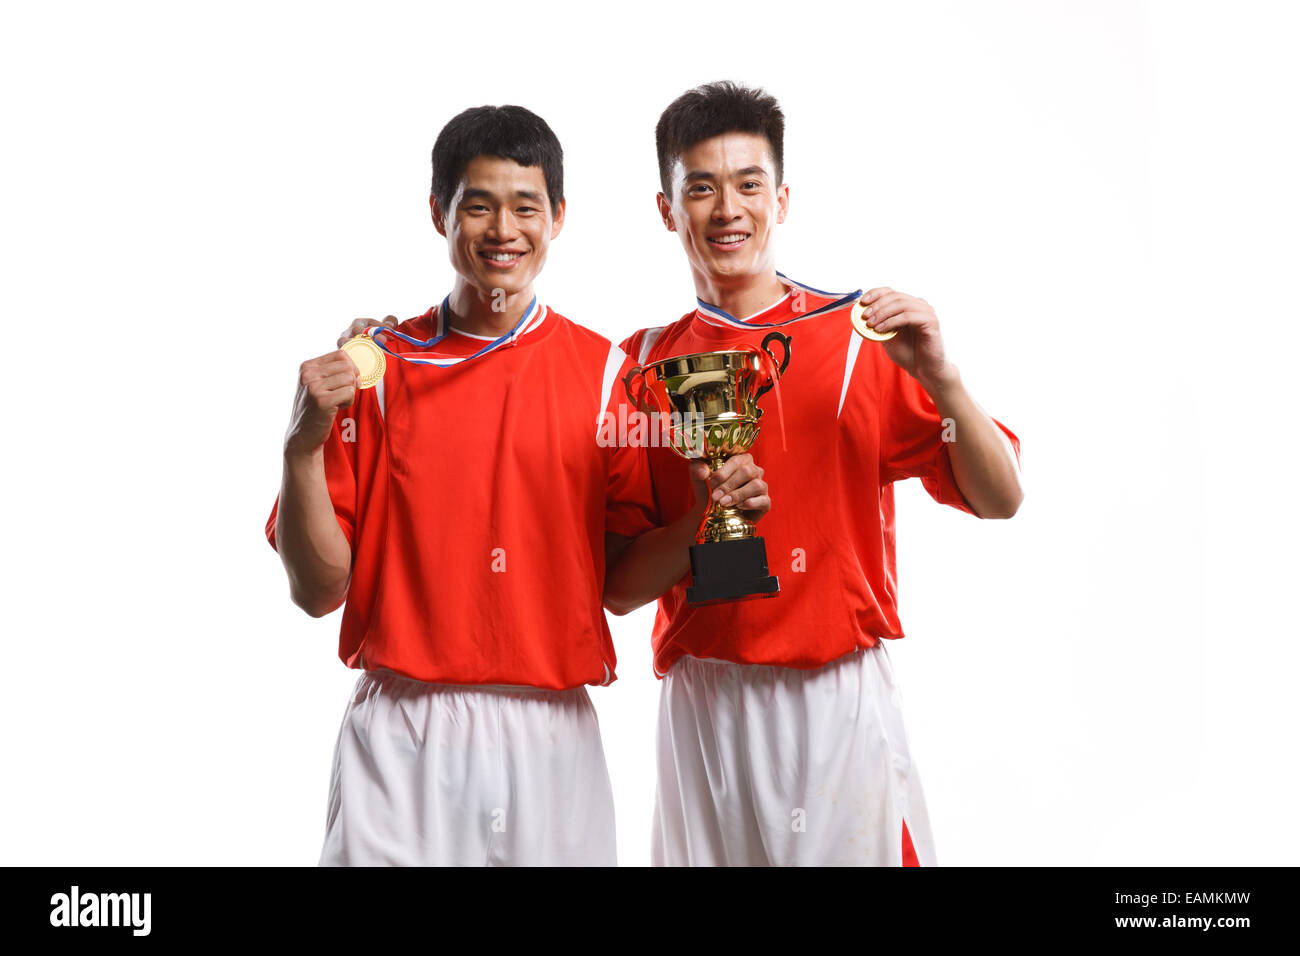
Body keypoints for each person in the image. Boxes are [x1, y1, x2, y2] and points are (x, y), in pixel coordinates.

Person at [266, 103, 771, 866]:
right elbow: (316, 591)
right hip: (400, 736)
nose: (504, 229)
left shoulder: (608, 377)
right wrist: (301, 450)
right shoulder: (372, 371)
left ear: (559, 217)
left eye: (525, 205)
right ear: (439, 213)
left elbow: (621, 587)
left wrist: (705, 515)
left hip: (551, 740)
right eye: (478, 204)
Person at [610, 81, 1025, 866]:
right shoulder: (637, 366)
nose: (727, 208)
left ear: (783, 198)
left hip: (832, 698)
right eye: (700, 187)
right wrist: (700, 522)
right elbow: (619, 589)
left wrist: (944, 380)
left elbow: (1001, 496)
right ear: (667, 209)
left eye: (747, 184)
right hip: (703, 701)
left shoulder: (861, 333)